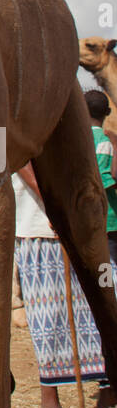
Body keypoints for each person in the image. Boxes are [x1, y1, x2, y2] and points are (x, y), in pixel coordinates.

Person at [13, 162, 117, 408]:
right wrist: (50, 199)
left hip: (84, 219)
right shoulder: (20, 116)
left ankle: (108, 400)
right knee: (51, 318)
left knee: (104, 309)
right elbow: (19, 152)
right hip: (41, 223)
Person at [85, 88, 117, 280]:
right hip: (109, 220)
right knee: (110, 272)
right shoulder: (106, 142)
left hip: (85, 218)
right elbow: (105, 180)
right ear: (107, 113)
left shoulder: (76, 142)